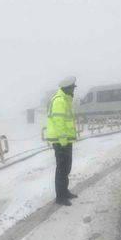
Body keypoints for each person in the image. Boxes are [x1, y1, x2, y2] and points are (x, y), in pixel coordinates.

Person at [46, 76, 78, 206]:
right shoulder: (60, 101)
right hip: (61, 141)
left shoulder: (65, 100)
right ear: (67, 89)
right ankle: (60, 197)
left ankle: (65, 192)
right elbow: (59, 122)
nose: (73, 91)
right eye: (72, 88)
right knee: (62, 168)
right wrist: (64, 140)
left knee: (66, 168)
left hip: (64, 140)